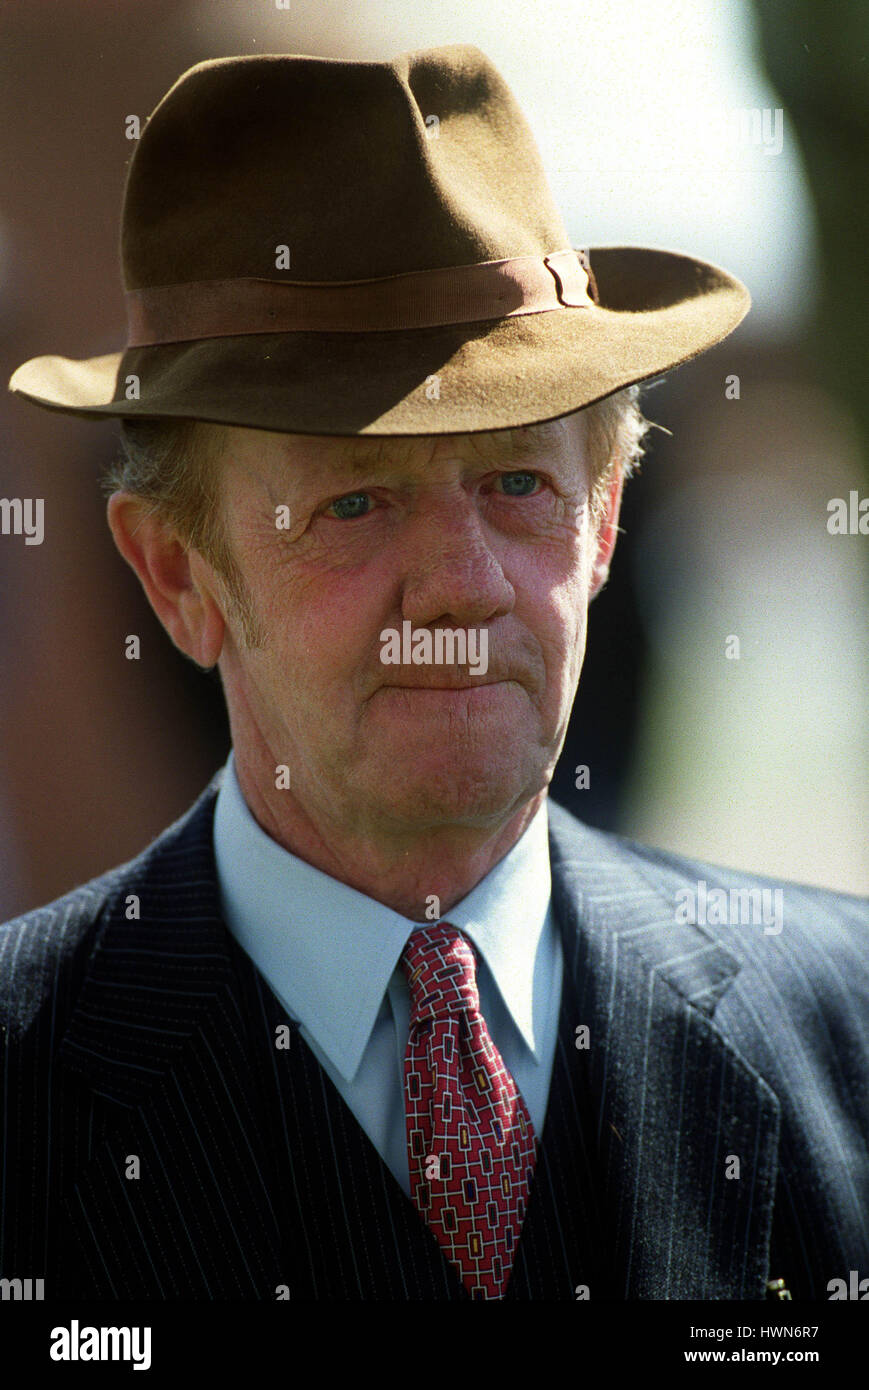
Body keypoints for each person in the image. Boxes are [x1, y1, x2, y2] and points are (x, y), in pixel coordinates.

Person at [2, 45, 866, 1303]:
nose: (460, 580)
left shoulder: (843, 1038)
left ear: (605, 519)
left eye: (518, 481)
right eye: (352, 501)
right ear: (177, 575)